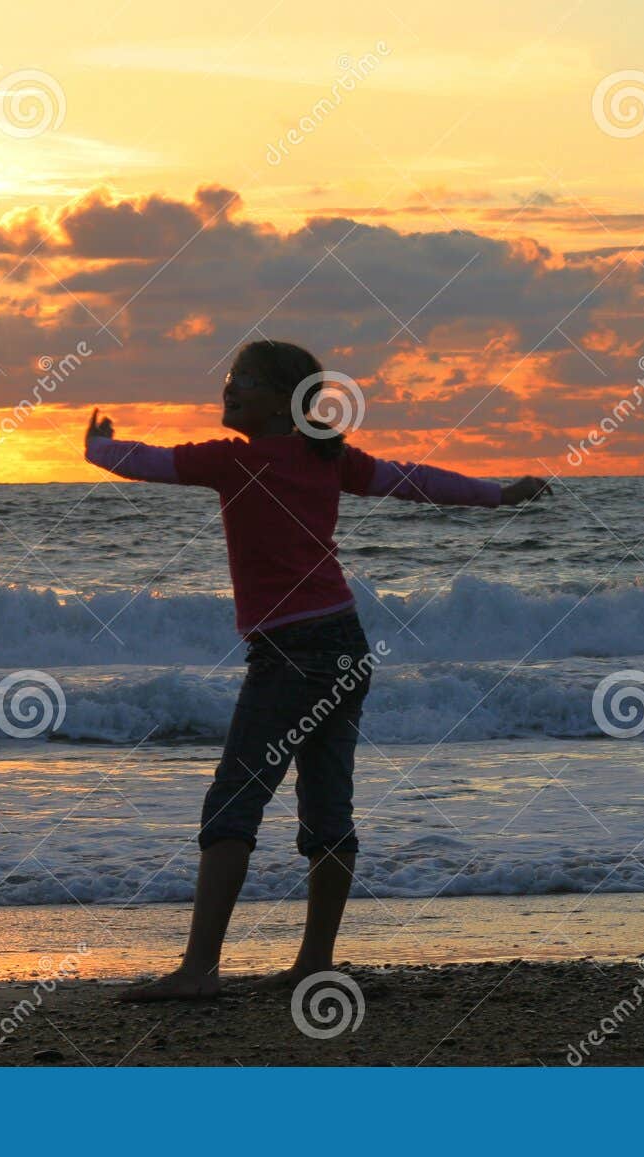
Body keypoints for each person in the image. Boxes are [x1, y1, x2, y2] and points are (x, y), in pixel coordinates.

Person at [83, 339, 549, 1000]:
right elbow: (416, 480)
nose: (228, 390)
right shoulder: (327, 458)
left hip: (289, 657)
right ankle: (313, 962)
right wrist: (501, 495)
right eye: (228, 378)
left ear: (281, 399)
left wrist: (97, 448)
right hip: (345, 647)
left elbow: (147, 462)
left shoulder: (233, 460)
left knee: (235, 801)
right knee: (327, 805)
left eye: (240, 380)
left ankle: (199, 969)